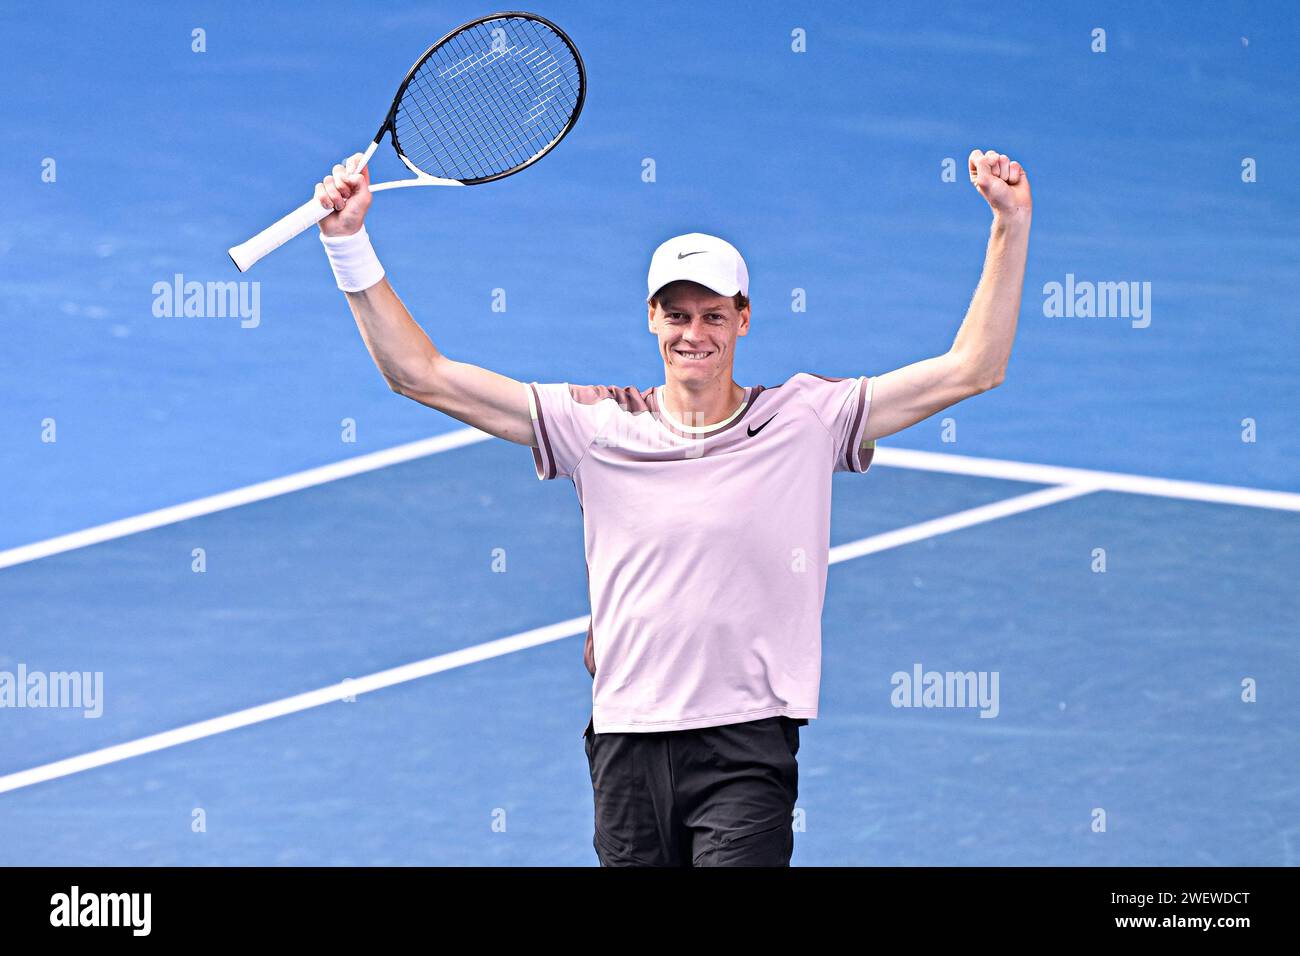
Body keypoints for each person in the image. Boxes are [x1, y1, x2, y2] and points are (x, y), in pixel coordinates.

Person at [310, 148, 1031, 866]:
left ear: (744, 320)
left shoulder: (807, 417)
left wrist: (1010, 222)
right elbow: (420, 375)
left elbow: (975, 366)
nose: (695, 334)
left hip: (744, 741)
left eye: (713, 315)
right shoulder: (593, 424)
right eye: (677, 314)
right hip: (626, 736)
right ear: (651, 318)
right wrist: (348, 242)